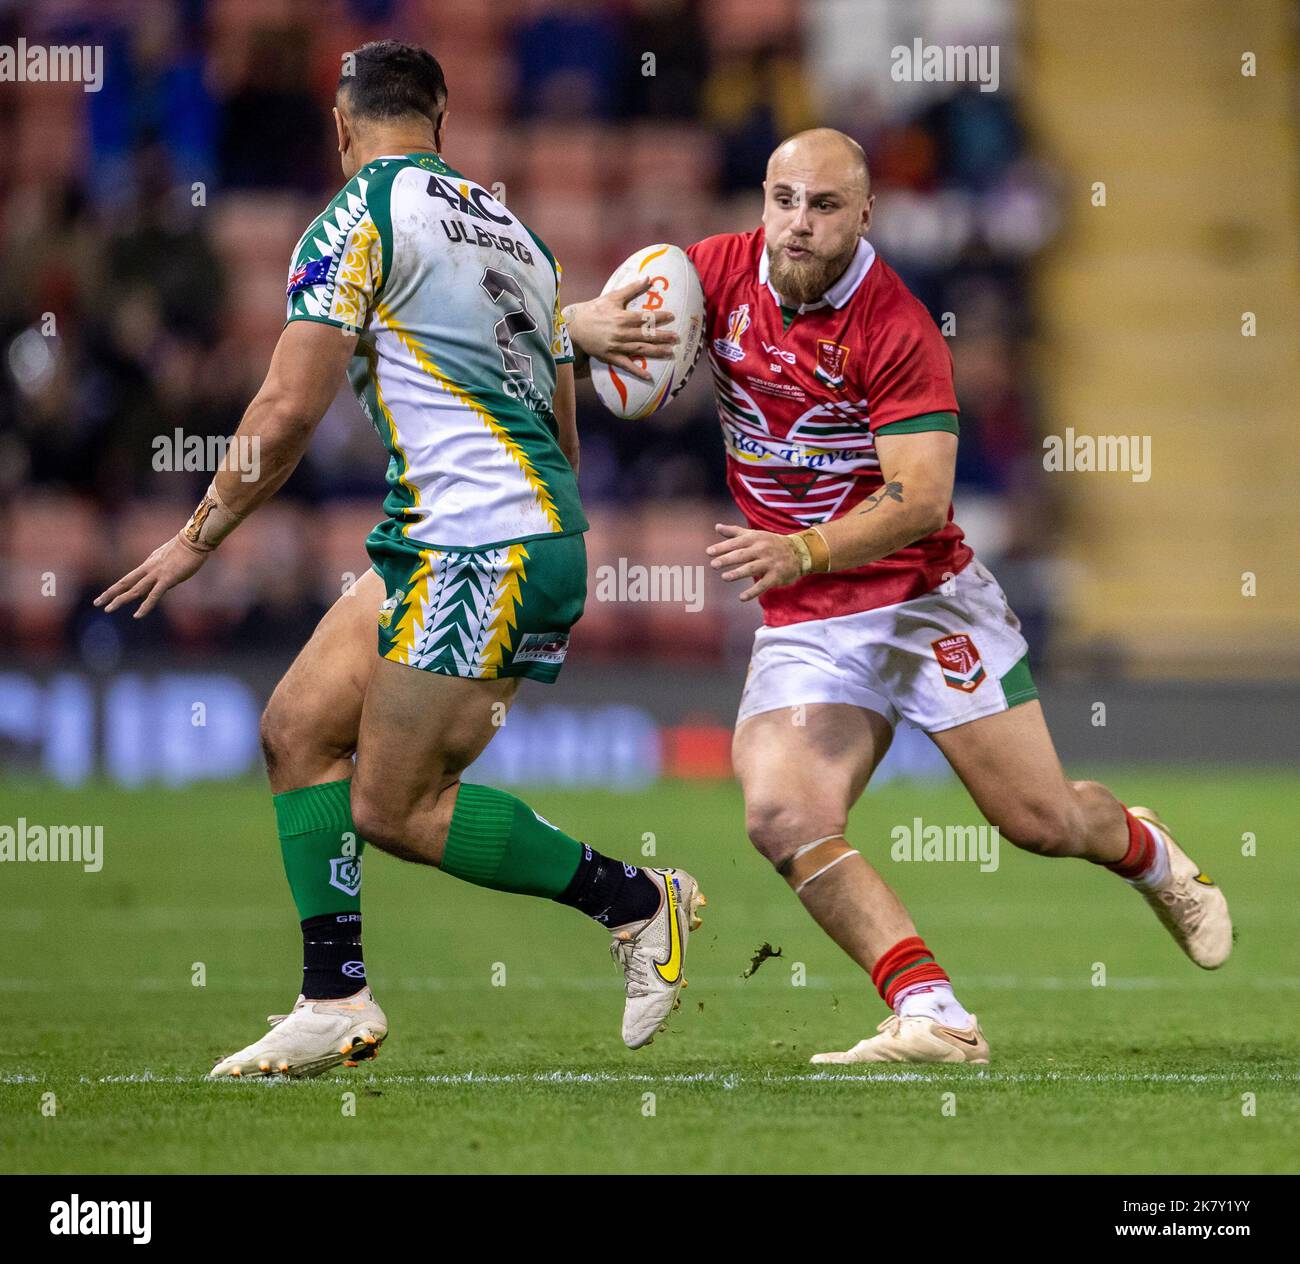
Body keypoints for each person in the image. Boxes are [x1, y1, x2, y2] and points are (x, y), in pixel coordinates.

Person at [96, 40, 703, 1078]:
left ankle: (638, 901)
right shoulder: (518, 234)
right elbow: (561, 431)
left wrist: (197, 535)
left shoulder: (356, 218)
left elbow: (287, 408)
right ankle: (333, 996)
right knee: (296, 728)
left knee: (394, 806)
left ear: (341, 127)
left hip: (479, 545)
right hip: (477, 533)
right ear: (445, 121)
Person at [563, 128, 1231, 1064]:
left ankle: (1148, 852)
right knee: (781, 815)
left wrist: (803, 550)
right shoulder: (709, 273)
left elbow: (920, 500)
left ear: (865, 214)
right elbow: (606, 334)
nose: (798, 224)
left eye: (825, 205)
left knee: (1038, 822)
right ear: (762, 199)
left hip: (923, 603)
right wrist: (577, 326)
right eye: (784, 199)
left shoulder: (897, 326)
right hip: (808, 618)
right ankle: (934, 1014)